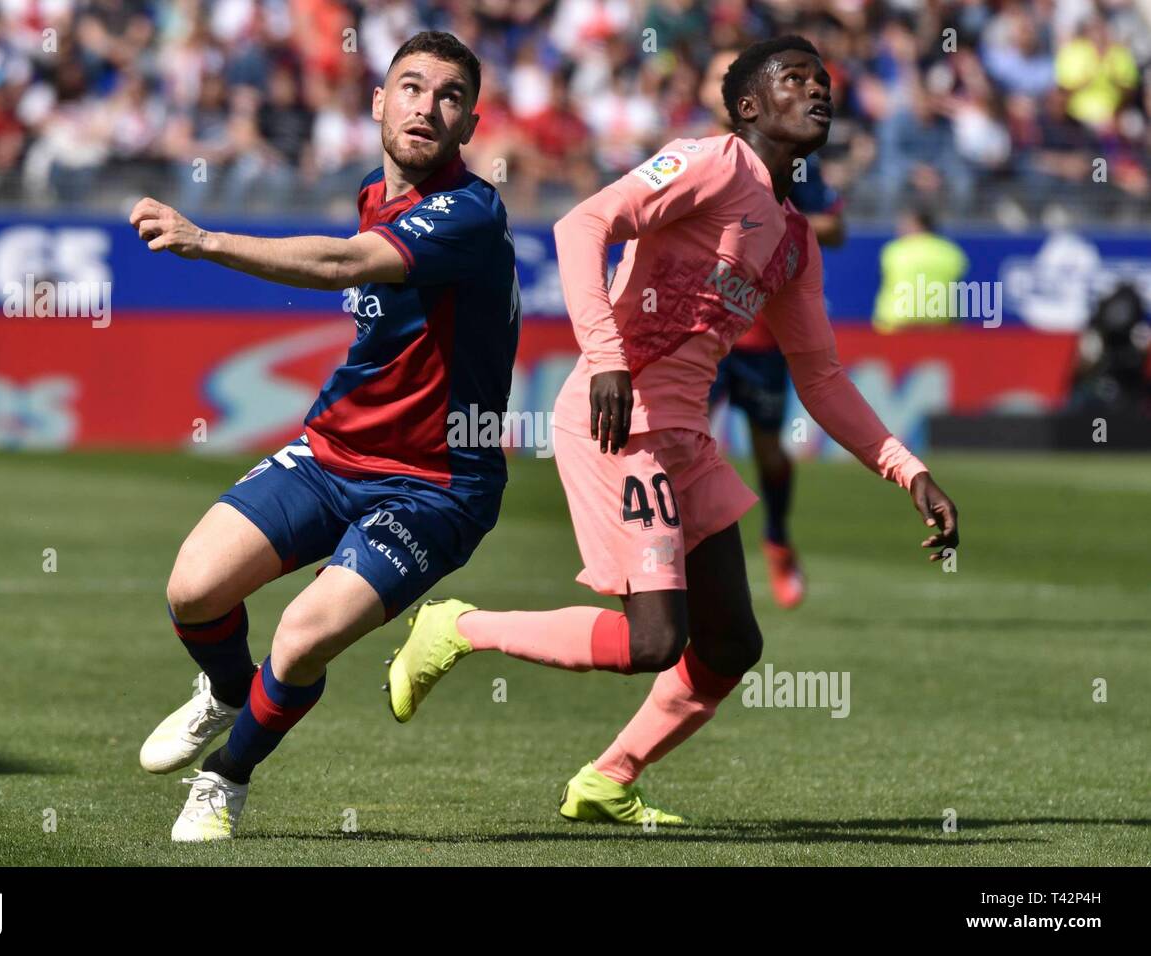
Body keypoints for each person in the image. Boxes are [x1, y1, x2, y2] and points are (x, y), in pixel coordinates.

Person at [386, 36, 959, 824]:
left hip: (683, 439)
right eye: (796, 80)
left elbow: (820, 377)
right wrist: (607, 354)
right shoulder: (709, 163)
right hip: (617, 419)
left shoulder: (794, 239)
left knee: (731, 647)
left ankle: (610, 778)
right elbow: (583, 225)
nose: (818, 92)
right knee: (656, 639)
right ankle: (457, 628)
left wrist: (907, 467)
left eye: (823, 82)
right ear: (749, 106)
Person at [129, 31, 520, 841]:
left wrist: (205, 241)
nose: (427, 106)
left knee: (302, 637)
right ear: (377, 103)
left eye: (450, 95)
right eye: (410, 87)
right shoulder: (375, 191)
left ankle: (225, 779)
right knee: (193, 590)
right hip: (335, 449)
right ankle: (230, 689)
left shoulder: (471, 211)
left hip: (436, 486)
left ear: (469, 125)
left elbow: (342, 265)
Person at [701, 47, 847, 608]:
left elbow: (836, 227)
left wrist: (776, 223)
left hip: (760, 334)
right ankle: (670, 559)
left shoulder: (791, 158)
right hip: (699, 334)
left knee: (768, 451)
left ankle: (779, 542)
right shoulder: (694, 155)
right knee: (684, 445)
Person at [872, 206, 968, 333]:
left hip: (896, 323)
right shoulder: (952, 252)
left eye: (905, 224)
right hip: (939, 324)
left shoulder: (894, 250)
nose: (899, 229)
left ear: (917, 225)